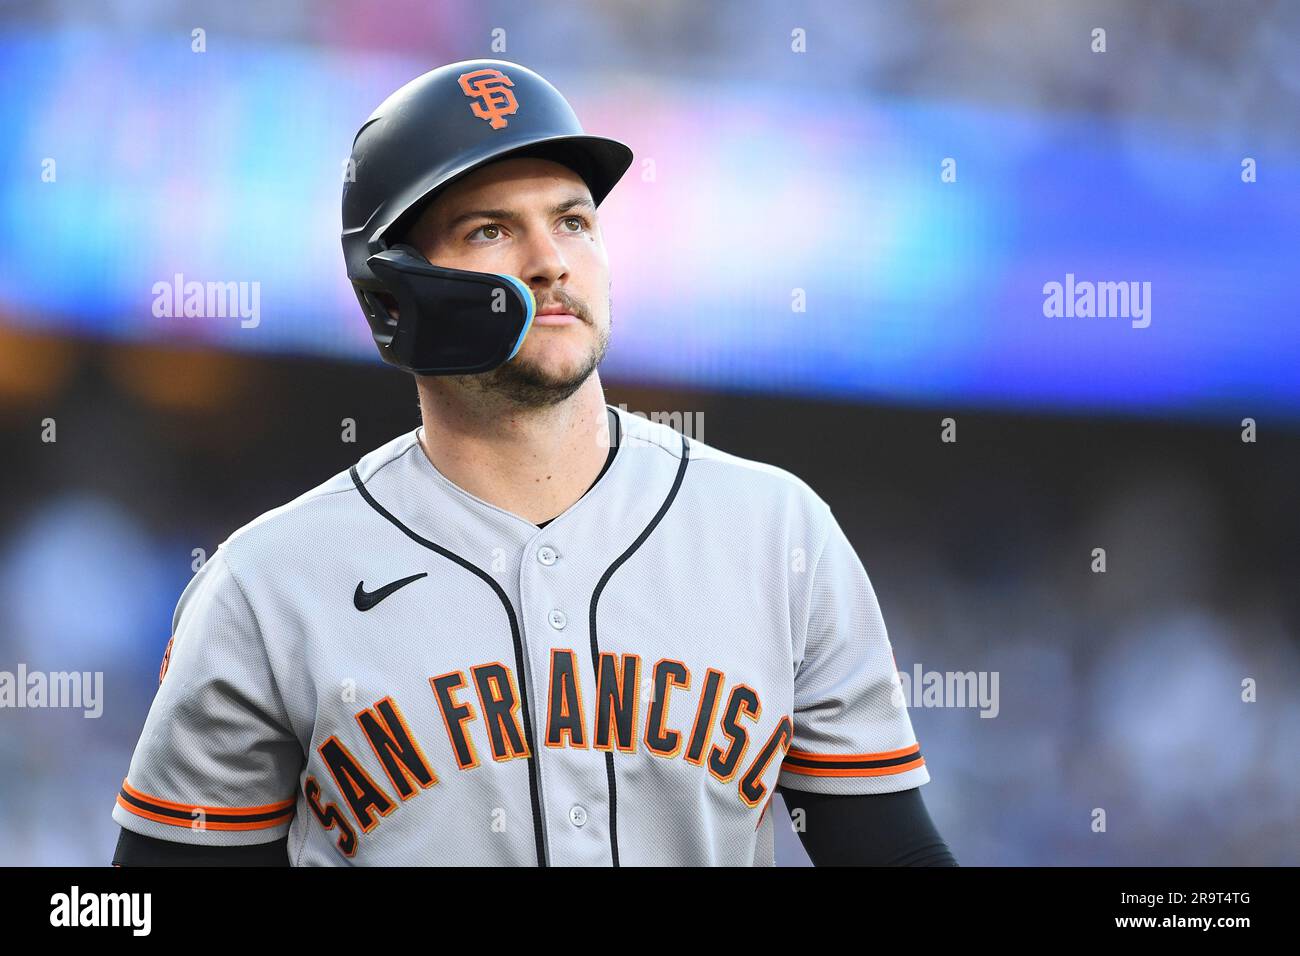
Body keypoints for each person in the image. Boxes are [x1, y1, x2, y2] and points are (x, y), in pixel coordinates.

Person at [111, 59, 956, 867]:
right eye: (491, 229)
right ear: (390, 292)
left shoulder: (777, 533)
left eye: (573, 220)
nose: (551, 260)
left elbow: (892, 853)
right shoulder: (267, 586)